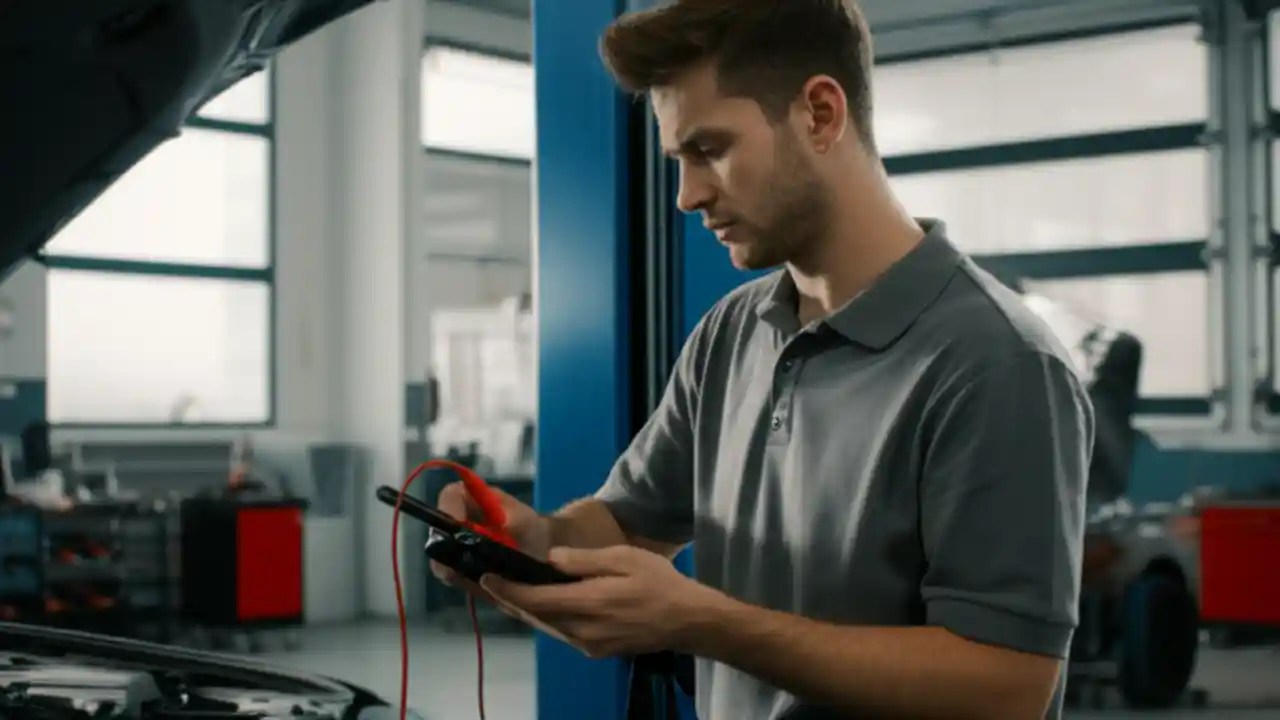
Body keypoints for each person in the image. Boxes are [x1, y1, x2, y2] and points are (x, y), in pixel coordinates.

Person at [432, 1, 1095, 718]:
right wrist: (531, 541)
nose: (686, 196)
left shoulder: (997, 364)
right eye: (678, 161)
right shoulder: (732, 334)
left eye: (710, 149)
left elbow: (1007, 689)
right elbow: (628, 524)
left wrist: (708, 622)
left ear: (819, 113)